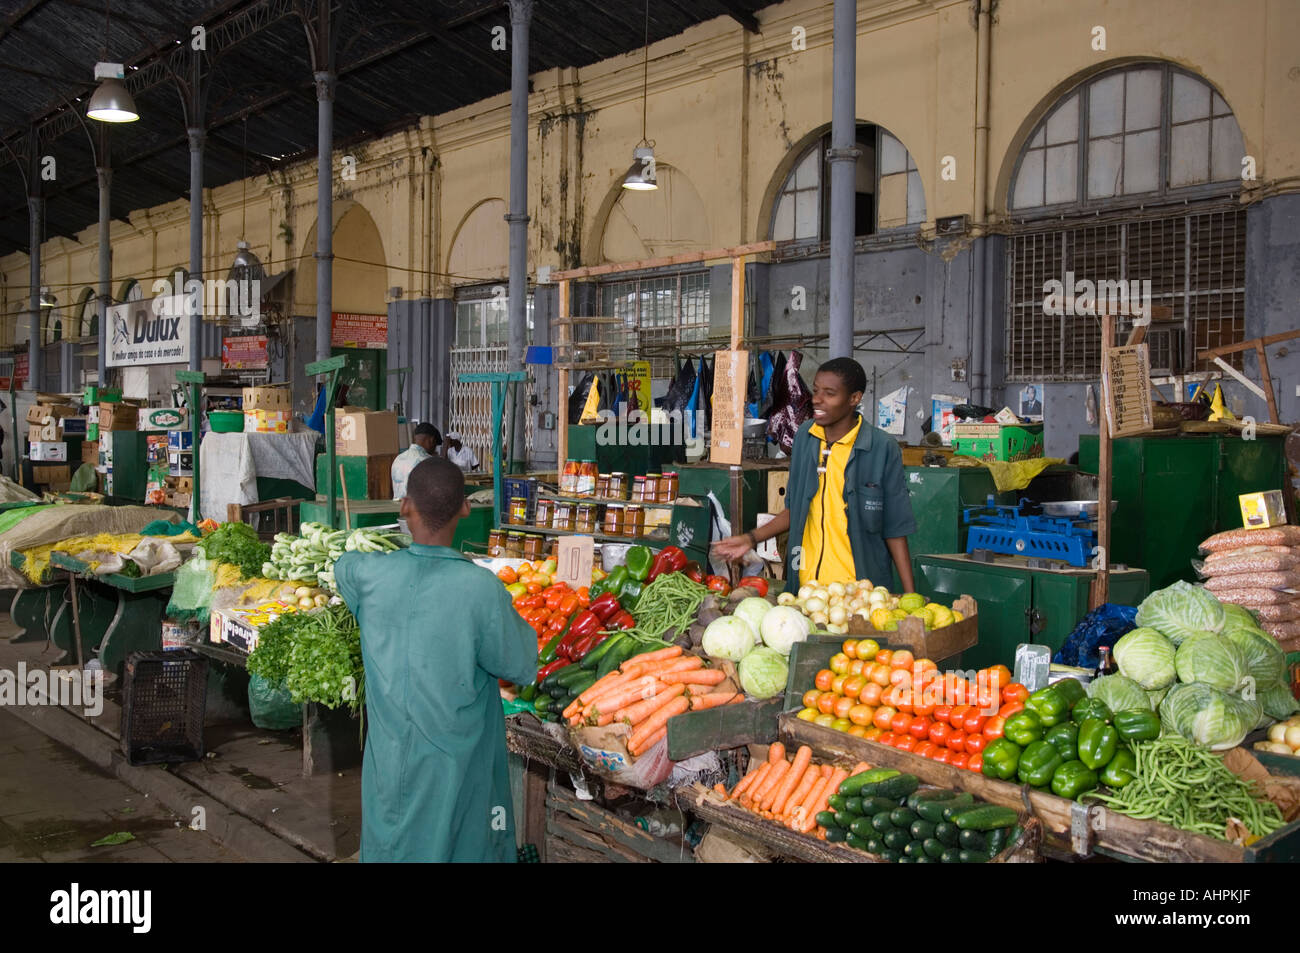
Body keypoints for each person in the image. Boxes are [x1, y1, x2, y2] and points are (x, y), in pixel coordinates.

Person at [334, 456, 537, 862]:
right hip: (458, 771)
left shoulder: (370, 576)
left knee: (393, 847)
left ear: (405, 507)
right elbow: (521, 665)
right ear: (465, 508)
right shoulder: (481, 588)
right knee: (462, 845)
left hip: (390, 765)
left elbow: (344, 565)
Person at [712, 357, 917, 593]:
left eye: (830, 393)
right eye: (816, 390)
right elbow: (794, 511)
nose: (817, 400)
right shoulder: (805, 439)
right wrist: (750, 538)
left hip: (858, 593)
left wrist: (911, 597)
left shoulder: (881, 447)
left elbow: (895, 529)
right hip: (806, 590)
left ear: (854, 398)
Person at [391, 422, 441, 500]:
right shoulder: (429, 462)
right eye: (435, 446)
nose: (434, 450)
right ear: (431, 440)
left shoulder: (398, 459)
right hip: (419, 510)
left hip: (398, 509)